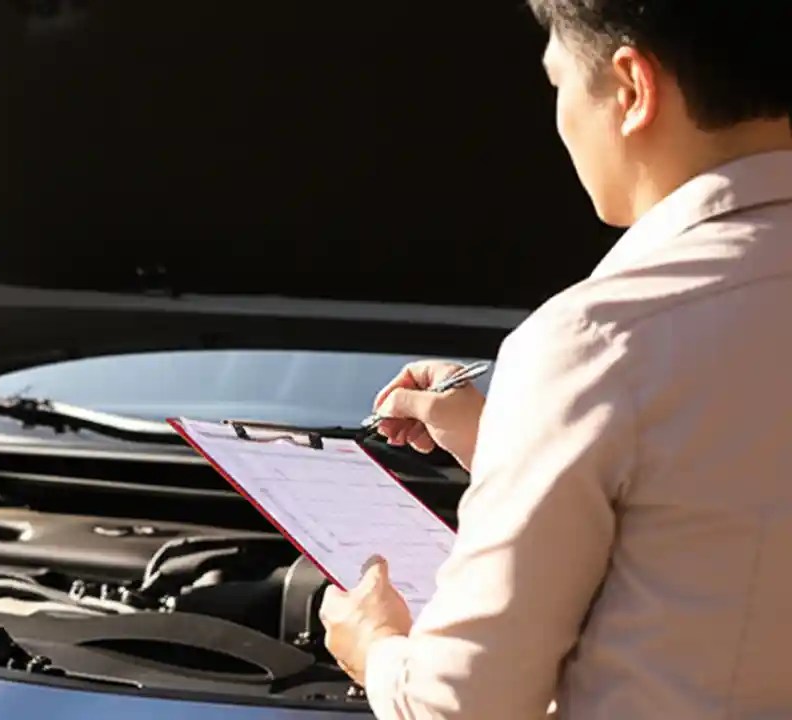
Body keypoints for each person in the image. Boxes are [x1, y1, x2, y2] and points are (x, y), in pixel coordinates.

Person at [318, 1, 792, 717]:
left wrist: (377, 646)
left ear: (631, 90)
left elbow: (465, 706)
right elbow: (726, 510)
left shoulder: (598, 341)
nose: (560, 117)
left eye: (557, 81)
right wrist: (510, 439)